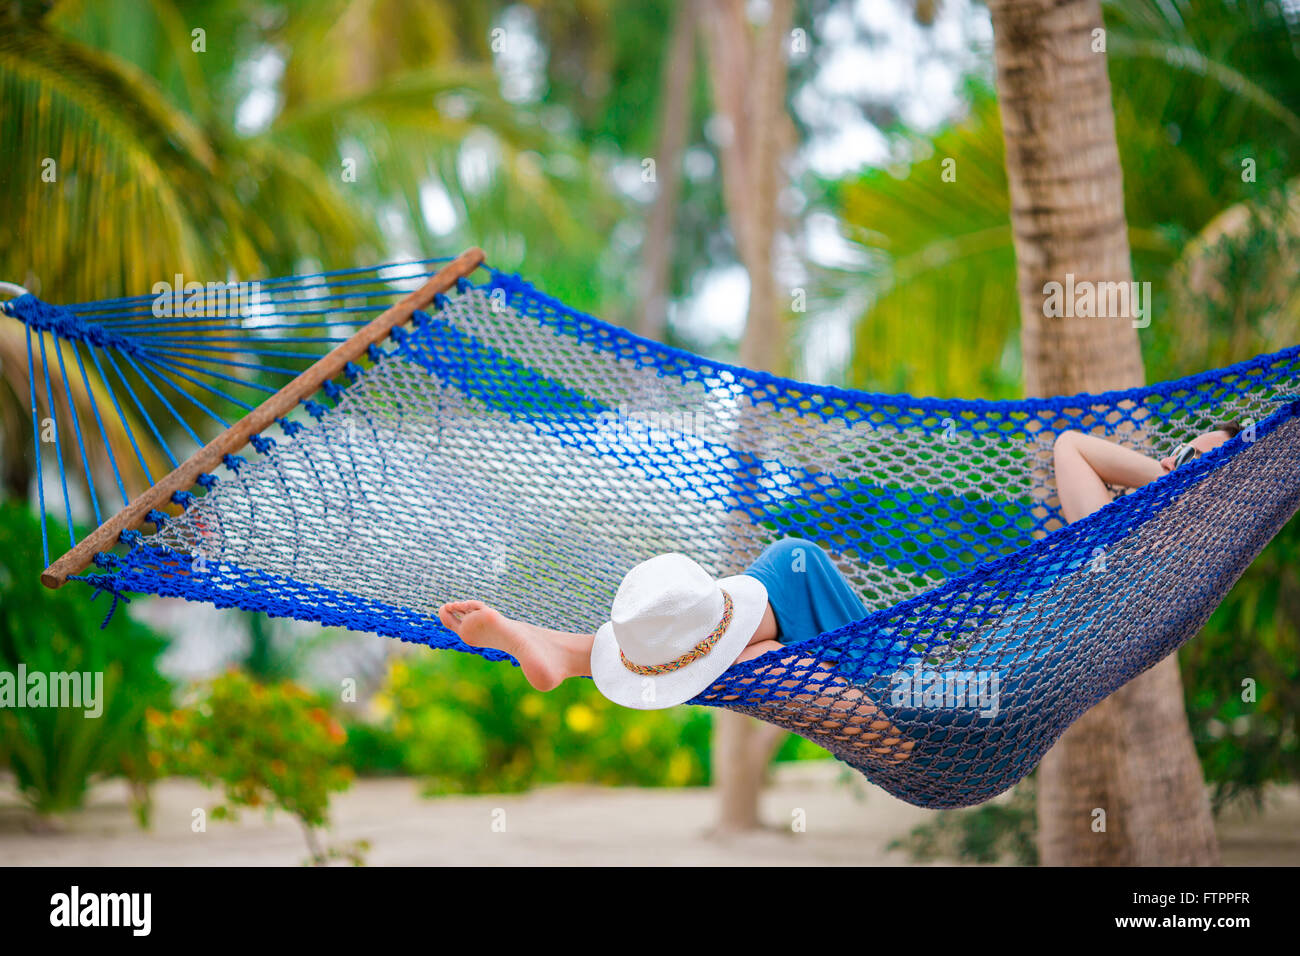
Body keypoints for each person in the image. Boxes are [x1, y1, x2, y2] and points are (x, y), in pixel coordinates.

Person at [1053, 420, 1243, 523]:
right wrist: (1171, 475)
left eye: (1191, 457)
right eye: (1179, 450)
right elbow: (1068, 443)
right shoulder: (1109, 535)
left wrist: (1175, 476)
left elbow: (1069, 445)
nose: (1165, 461)